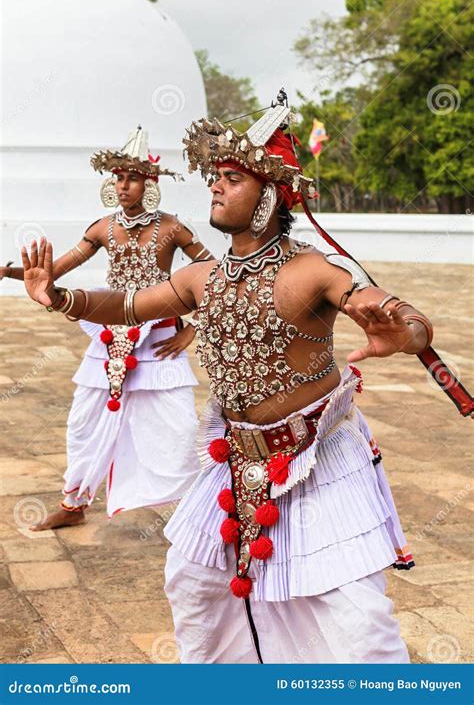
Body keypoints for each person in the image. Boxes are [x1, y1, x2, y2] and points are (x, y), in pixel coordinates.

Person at [21, 103, 432, 663]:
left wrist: (406, 332)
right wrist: (59, 295)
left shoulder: (313, 269)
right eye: (214, 177)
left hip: (320, 458)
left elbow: (389, 308)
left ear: (269, 198)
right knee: (196, 588)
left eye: (232, 178)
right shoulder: (201, 277)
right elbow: (126, 305)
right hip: (234, 461)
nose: (215, 186)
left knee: (355, 623)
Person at [8, 126, 212, 530]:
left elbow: (215, 276)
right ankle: (73, 504)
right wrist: (9, 272)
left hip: (157, 341)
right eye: (118, 177)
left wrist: (192, 330)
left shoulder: (172, 228)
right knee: (83, 421)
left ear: (150, 183)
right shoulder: (102, 227)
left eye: (132, 177)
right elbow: (53, 272)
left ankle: (195, 509)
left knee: (179, 428)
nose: (122, 185)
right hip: (107, 337)